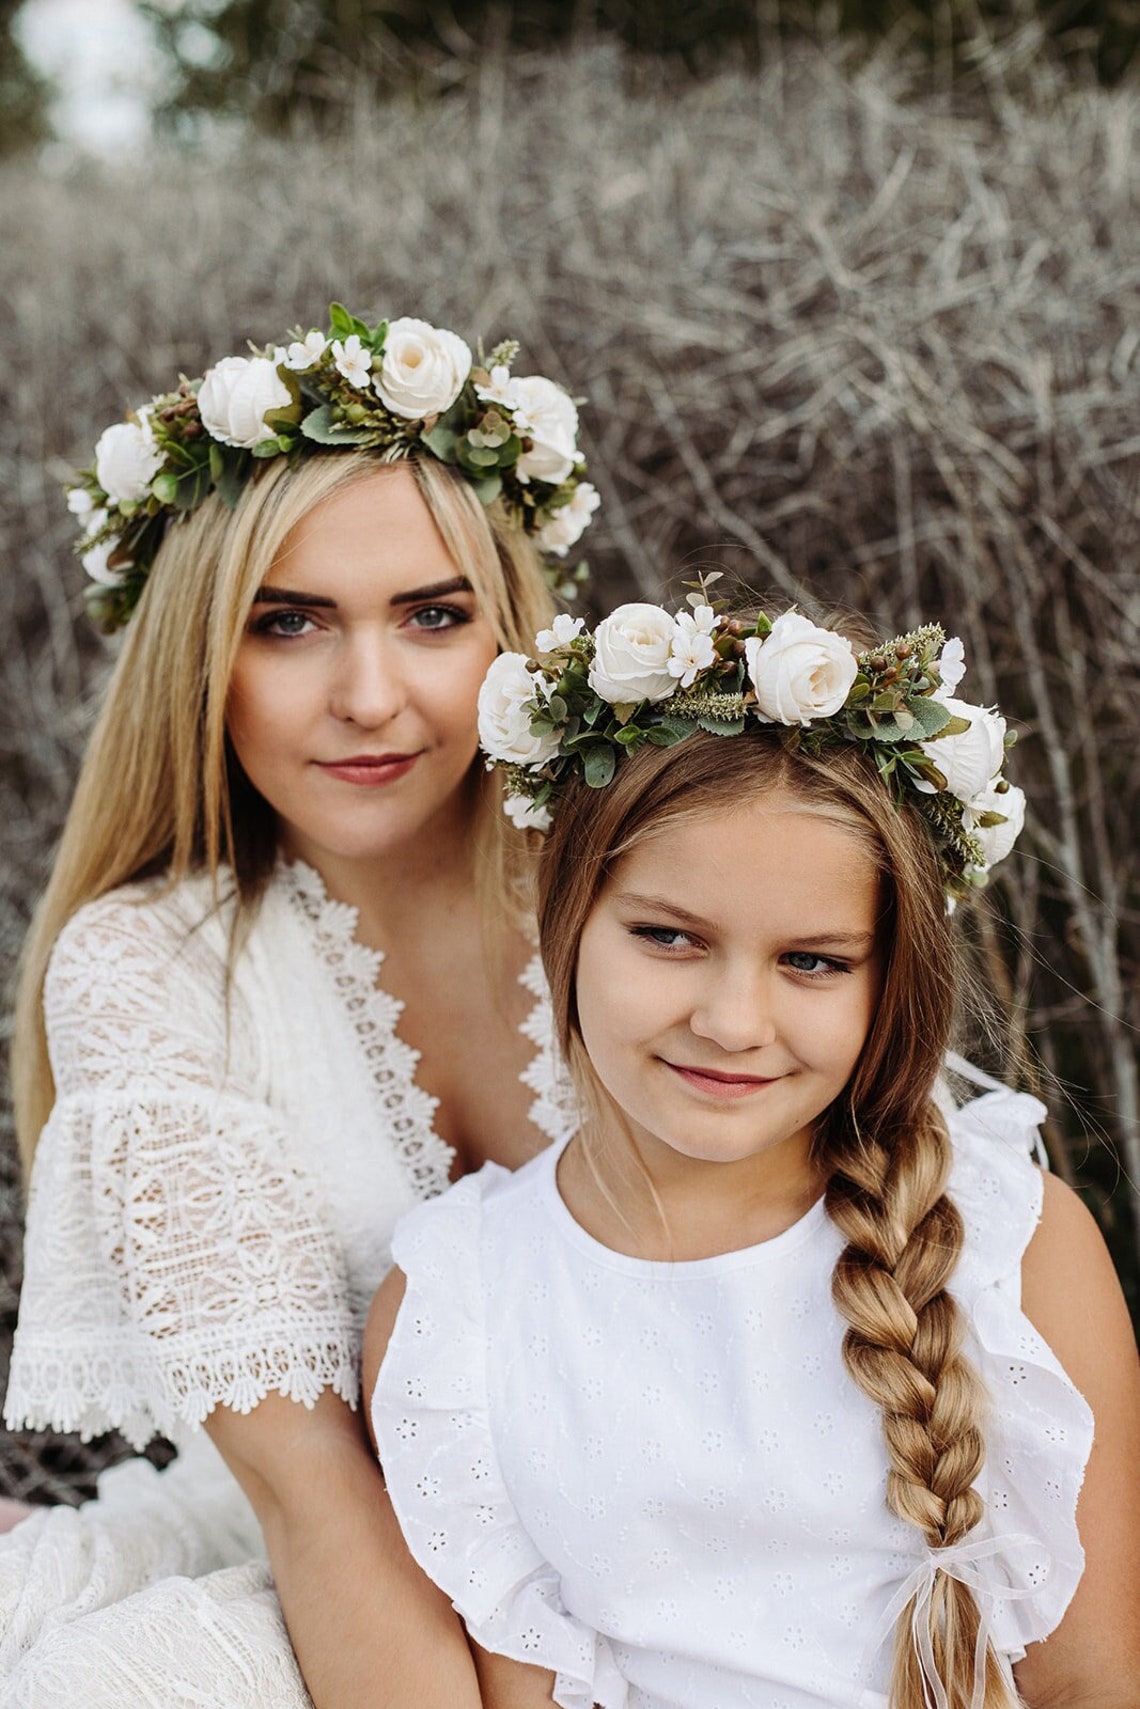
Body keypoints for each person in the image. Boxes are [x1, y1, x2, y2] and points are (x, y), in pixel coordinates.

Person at [368, 600, 1140, 1709]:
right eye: (668, 935)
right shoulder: (456, 1298)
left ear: (889, 982)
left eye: (814, 961)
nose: (734, 1020)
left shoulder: (1010, 1243)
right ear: (564, 914)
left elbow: (1094, 1681)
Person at [0, 306, 598, 1708]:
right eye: (289, 623)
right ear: (201, 654)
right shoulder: (149, 962)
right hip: (319, 1565)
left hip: (677, 1532)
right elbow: (311, 1489)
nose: (370, 696)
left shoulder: (649, 898)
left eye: (434, 616)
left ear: (511, 627)